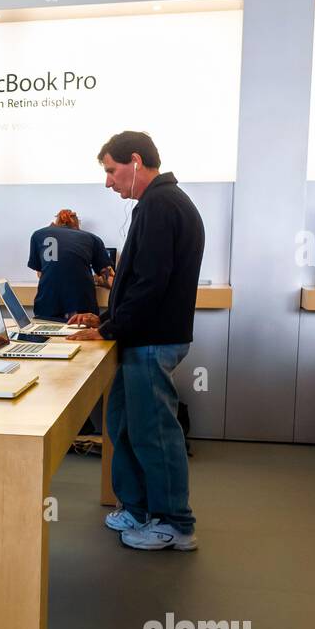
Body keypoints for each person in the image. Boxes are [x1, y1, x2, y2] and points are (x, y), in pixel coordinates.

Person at [68, 131, 203, 551]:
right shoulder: (157, 204)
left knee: (154, 432)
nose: (109, 182)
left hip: (152, 339)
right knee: (124, 424)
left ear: (136, 161)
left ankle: (174, 523)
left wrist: (109, 328)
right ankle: (139, 507)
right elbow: (140, 283)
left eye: (111, 171)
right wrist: (107, 317)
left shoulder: (162, 205)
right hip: (141, 335)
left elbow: (150, 285)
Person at [27, 208, 114, 320]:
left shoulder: (38, 234)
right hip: (82, 306)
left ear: (56, 223)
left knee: (48, 335)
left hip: (47, 304)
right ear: (77, 227)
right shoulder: (92, 238)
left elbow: (41, 273)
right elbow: (108, 276)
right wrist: (96, 279)